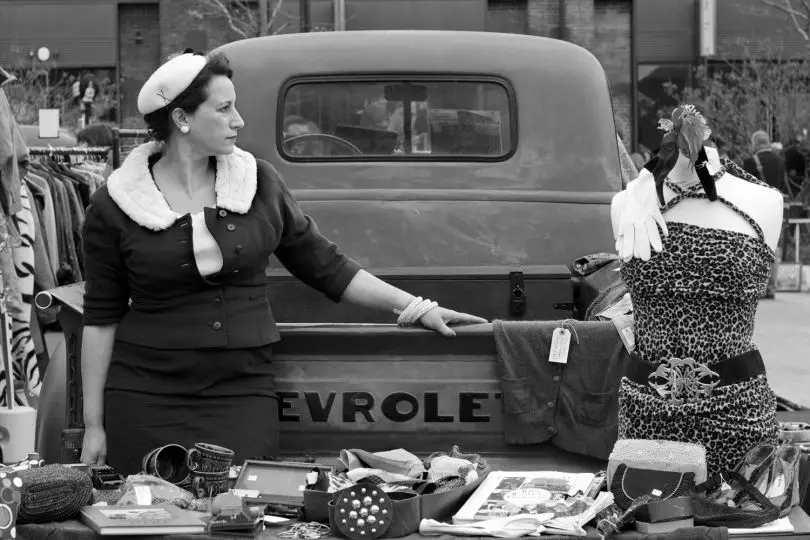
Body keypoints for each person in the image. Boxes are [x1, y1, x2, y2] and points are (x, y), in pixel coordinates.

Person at [79, 51, 487, 474]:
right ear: (182, 119)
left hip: (237, 391)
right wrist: (93, 424)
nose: (238, 120)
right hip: (145, 393)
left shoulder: (258, 183)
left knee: (240, 512)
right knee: (149, 518)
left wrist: (417, 307)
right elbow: (101, 317)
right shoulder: (115, 203)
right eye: (224, 109)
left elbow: (325, 265)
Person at [611, 105, 783, 475]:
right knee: (648, 524)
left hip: (738, 415)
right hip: (647, 416)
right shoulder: (631, 203)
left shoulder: (765, 201)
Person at [742, 130, 788, 195]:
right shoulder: (780, 160)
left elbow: (745, 187)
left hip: (758, 202)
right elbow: (783, 184)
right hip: (776, 202)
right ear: (768, 143)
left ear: (754, 144)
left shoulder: (750, 162)